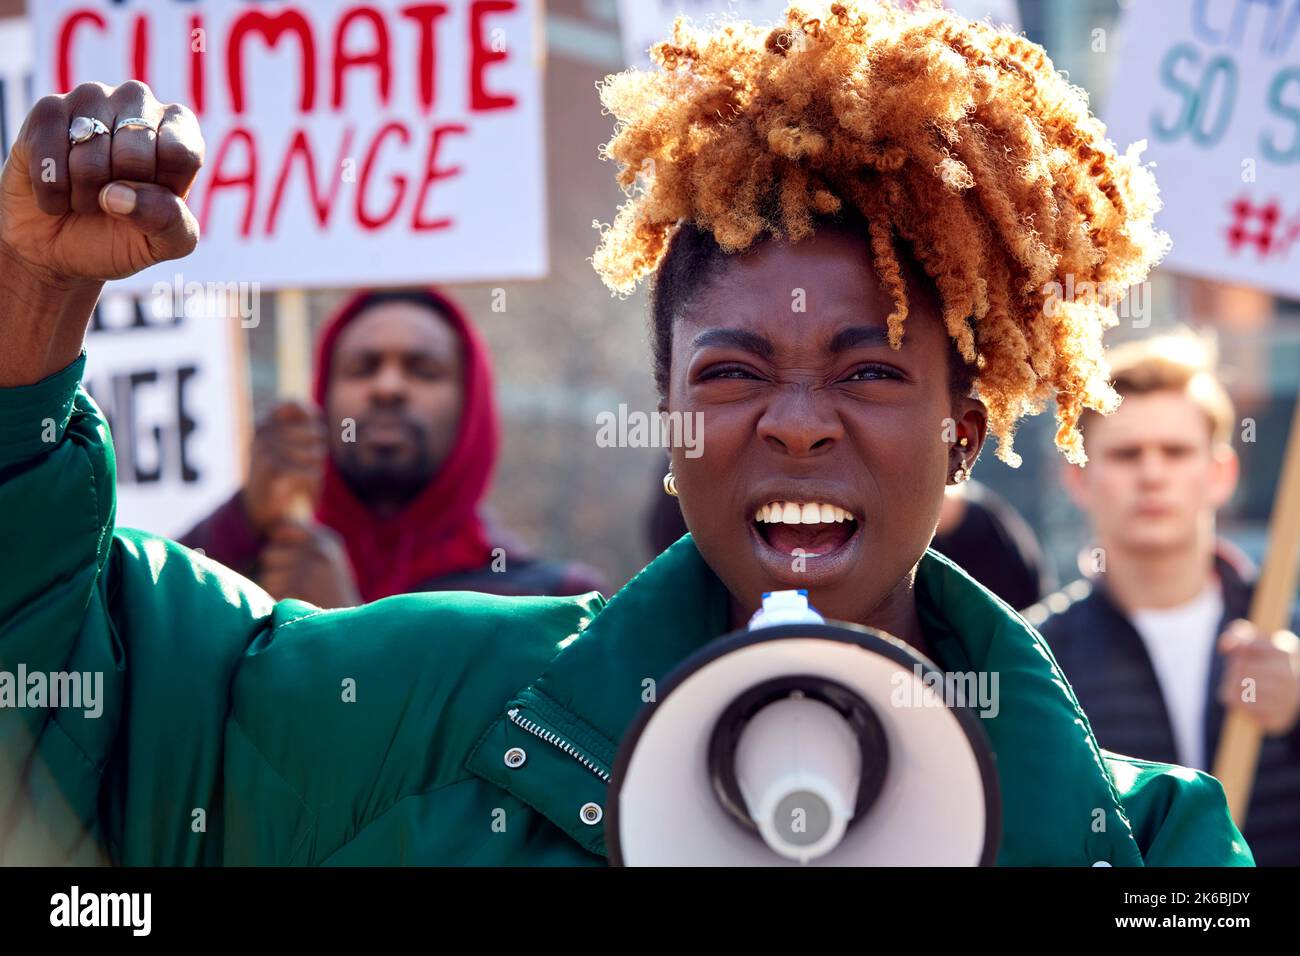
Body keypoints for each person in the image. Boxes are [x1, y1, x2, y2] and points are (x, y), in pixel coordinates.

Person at [0, 3, 1253, 865]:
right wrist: (32, 310)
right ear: (666, 424)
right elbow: (73, 713)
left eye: (869, 369)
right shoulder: (429, 715)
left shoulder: (1149, 849)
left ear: (965, 434)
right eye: (732, 371)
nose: (800, 423)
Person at [1027, 334, 1300, 865]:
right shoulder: (1036, 659)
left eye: (1175, 452)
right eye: (1127, 454)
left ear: (1220, 473)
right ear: (1078, 478)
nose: (1152, 474)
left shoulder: (1287, 637)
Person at [178, 288, 606, 605]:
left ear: (471, 408)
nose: (388, 387)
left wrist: (342, 631)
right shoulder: (245, 581)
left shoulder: (555, 605)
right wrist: (244, 519)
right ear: (322, 397)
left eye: (423, 370)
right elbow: (132, 639)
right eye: (361, 368)